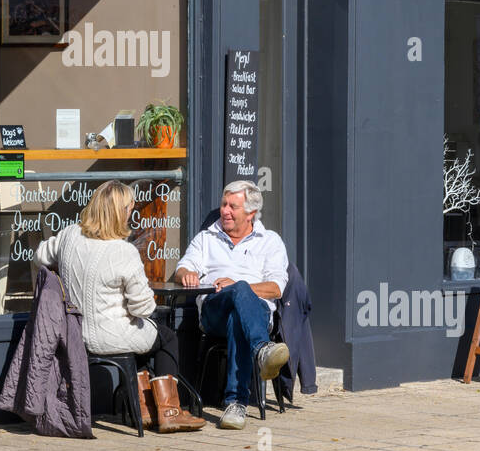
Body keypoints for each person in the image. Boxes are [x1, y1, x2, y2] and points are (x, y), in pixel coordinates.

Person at [35, 180, 204, 433]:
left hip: (75, 335)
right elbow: (143, 308)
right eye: (129, 209)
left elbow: (40, 255)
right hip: (112, 336)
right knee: (165, 337)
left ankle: (145, 409)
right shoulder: (124, 252)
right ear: (119, 212)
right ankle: (169, 412)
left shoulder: (70, 235)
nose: (131, 213)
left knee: (145, 337)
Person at [174, 180, 290, 429]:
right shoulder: (207, 237)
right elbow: (183, 267)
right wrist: (186, 273)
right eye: (223, 204)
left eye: (232, 206)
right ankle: (262, 350)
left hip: (254, 314)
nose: (224, 210)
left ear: (250, 213)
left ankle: (235, 405)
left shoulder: (270, 241)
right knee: (238, 293)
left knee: (239, 312)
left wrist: (240, 287)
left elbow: (276, 288)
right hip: (213, 311)